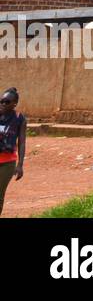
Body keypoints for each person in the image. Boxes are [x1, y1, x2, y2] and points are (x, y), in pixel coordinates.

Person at [0, 87, 27, 217]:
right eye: (1, 101)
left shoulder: (19, 118)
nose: (3, 104)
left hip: (7, 163)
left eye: (7, 102)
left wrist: (20, 165)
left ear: (14, 104)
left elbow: (21, 142)